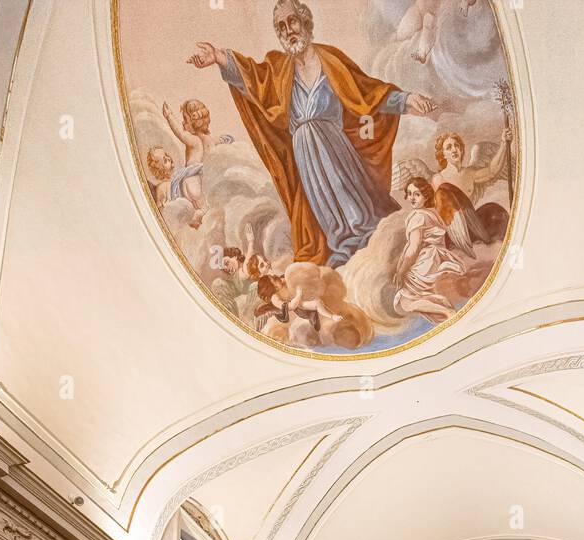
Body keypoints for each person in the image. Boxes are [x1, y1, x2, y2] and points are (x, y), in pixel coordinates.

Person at [187, 1, 438, 267]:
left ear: (305, 23)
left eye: (292, 22)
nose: (288, 31)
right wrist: (219, 57)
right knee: (324, 208)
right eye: (280, 27)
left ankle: (369, 240)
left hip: (336, 149)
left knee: (354, 204)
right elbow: (253, 77)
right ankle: (342, 249)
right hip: (305, 157)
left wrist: (407, 100)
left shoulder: (330, 59)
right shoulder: (280, 69)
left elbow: (367, 94)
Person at [394, 177, 469, 322]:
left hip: (425, 261)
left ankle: (447, 311)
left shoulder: (418, 216)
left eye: (417, 194)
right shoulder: (433, 213)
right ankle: (445, 309)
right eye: (409, 194)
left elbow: (413, 247)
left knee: (405, 302)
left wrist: (401, 270)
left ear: (426, 196)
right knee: (414, 299)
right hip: (436, 257)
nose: (412, 198)